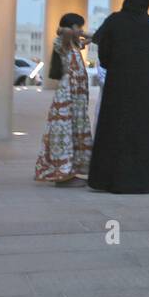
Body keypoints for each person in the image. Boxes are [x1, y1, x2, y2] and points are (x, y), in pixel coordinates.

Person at [87, 0, 149, 195]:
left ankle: (110, 179)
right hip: (146, 88)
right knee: (144, 131)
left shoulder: (114, 21)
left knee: (116, 129)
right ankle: (144, 180)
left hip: (118, 86)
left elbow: (103, 55)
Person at [34, 12, 92, 186]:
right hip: (68, 93)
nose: (81, 30)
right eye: (78, 26)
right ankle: (62, 174)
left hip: (77, 95)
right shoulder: (62, 41)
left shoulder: (74, 44)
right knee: (65, 129)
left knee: (75, 129)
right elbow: (65, 32)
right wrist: (74, 31)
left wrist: (82, 35)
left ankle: (72, 170)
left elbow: (89, 39)